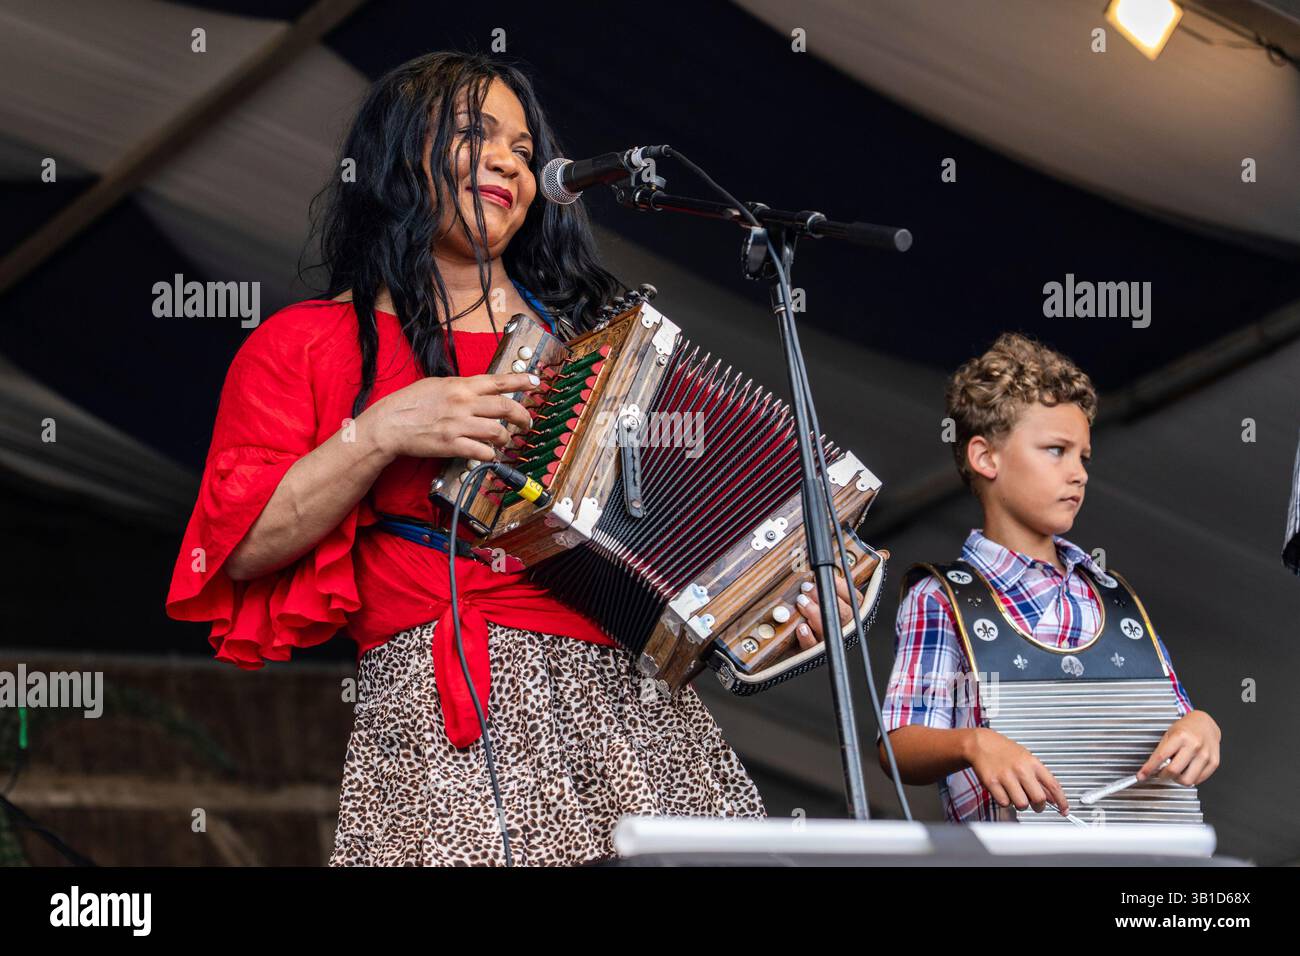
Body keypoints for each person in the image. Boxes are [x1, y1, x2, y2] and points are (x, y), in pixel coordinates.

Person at [164, 51, 780, 866]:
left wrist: (780, 600)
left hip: (637, 719)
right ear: (396, 155)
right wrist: (381, 430)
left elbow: (695, 541)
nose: (508, 162)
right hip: (446, 720)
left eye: (525, 152)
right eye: (474, 135)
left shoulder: (599, 352)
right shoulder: (303, 345)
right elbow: (237, 544)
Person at [837, 332, 1219, 822]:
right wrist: (976, 744)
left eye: (1083, 456)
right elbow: (898, 745)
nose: (1079, 473)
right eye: (1056, 450)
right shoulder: (946, 597)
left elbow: (1175, 717)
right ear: (985, 457)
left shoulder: (1112, 597)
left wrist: (1204, 726)